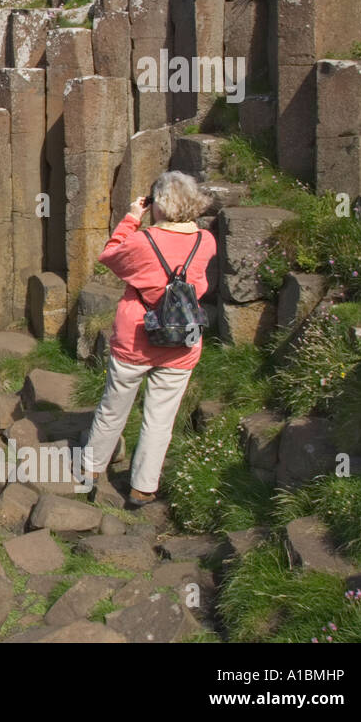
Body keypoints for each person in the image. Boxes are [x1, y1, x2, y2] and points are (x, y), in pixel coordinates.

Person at [81, 170, 215, 508]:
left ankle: (92, 468)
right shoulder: (206, 241)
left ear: (158, 204)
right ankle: (142, 486)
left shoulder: (142, 241)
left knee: (114, 408)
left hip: (137, 340)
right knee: (160, 418)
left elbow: (109, 256)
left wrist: (131, 218)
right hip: (182, 341)